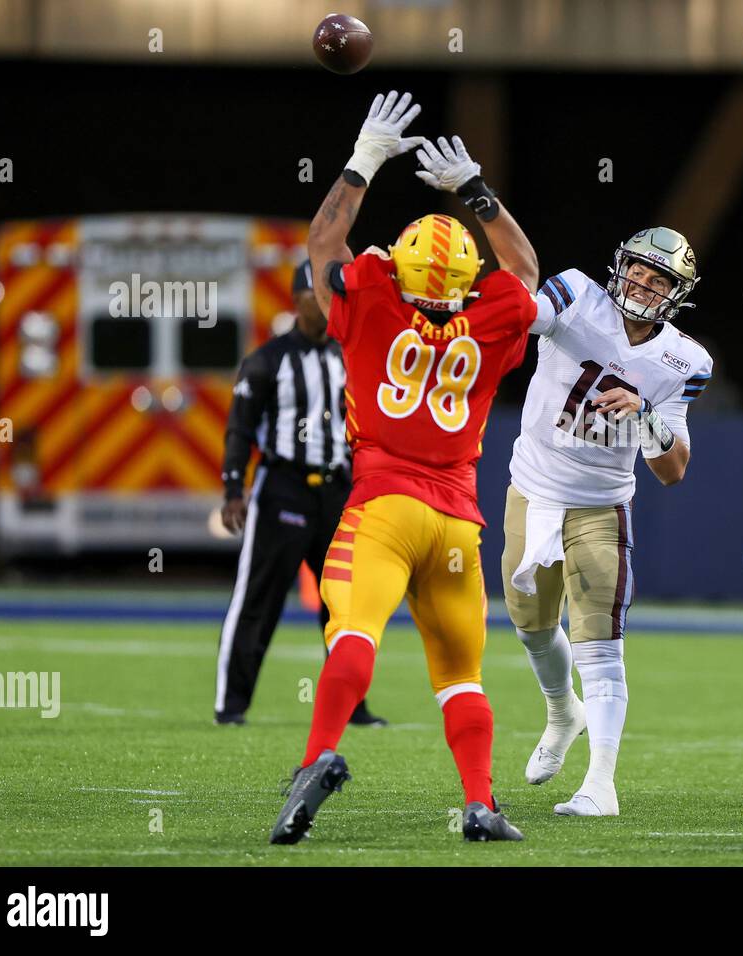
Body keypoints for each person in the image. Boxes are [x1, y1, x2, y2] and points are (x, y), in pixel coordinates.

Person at [270, 91, 540, 844]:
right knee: (460, 674)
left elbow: (325, 244)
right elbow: (523, 267)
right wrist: (476, 190)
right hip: (456, 521)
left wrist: (363, 161)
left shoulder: (374, 296)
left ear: (403, 266)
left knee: (353, 634)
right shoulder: (492, 314)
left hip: (384, 507)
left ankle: (317, 758)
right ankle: (481, 803)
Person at [502, 227, 713, 817]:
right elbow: (522, 313)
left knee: (600, 640)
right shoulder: (574, 295)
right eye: (638, 269)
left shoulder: (684, 361)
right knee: (530, 622)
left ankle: (601, 783)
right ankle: (560, 711)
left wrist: (646, 417)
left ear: (677, 293)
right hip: (534, 487)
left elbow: (672, 470)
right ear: (620, 266)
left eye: (660, 277)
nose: (643, 282)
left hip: (601, 503)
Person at [214, 261, 384, 728]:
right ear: (297, 298)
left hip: (335, 490)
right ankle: (231, 706)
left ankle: (353, 705)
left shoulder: (348, 355)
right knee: (259, 598)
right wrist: (233, 489)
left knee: (346, 603)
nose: (329, 306)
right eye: (319, 295)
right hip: (283, 489)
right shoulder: (268, 360)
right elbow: (239, 428)